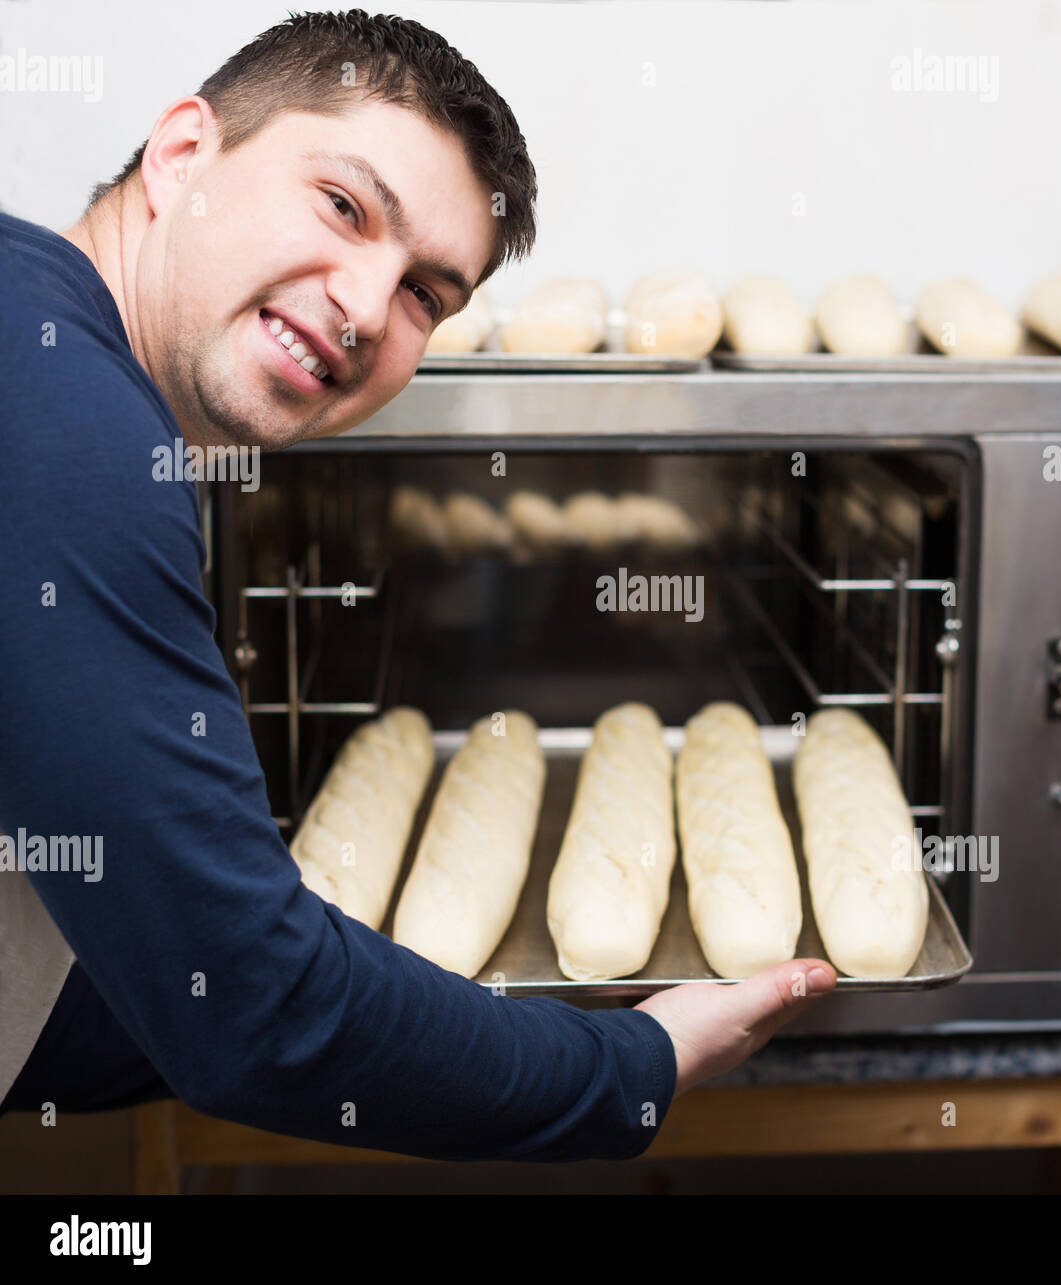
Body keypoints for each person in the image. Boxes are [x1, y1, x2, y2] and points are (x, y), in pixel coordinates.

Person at [0, 9, 835, 1163]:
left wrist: (275, 971)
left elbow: (162, 974)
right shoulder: (67, 425)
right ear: (182, 153)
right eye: (343, 206)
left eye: (423, 296)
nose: (360, 306)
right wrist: (626, 1064)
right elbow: (248, 1013)